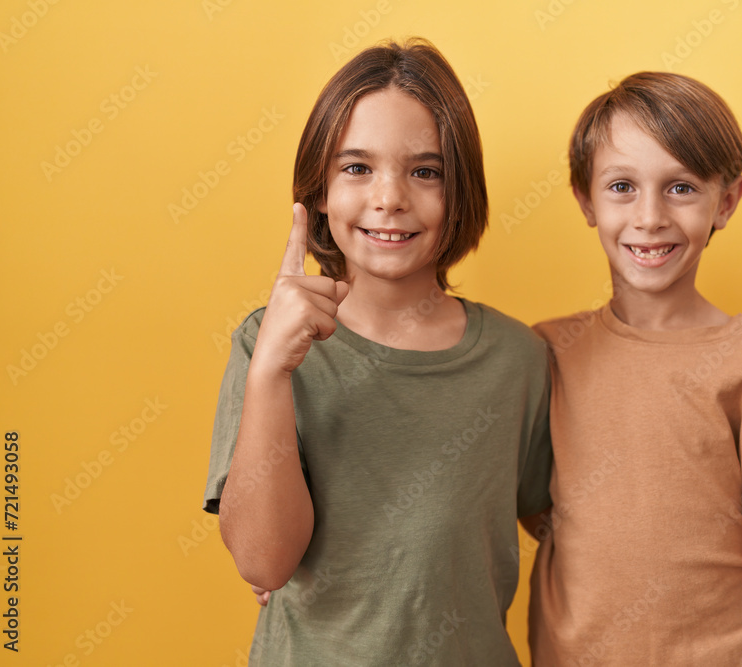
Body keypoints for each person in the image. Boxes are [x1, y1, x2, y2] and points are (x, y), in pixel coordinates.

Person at [203, 39, 553, 666]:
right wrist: (271, 377)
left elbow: (567, 524)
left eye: (424, 171)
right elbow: (262, 562)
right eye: (357, 168)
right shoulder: (265, 345)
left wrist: (720, 581)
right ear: (318, 194)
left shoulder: (518, 359)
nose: (389, 198)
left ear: (460, 190)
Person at [525, 72, 742, 665]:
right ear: (585, 200)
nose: (650, 216)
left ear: (728, 200)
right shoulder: (545, 356)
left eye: (681, 188)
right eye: (621, 186)